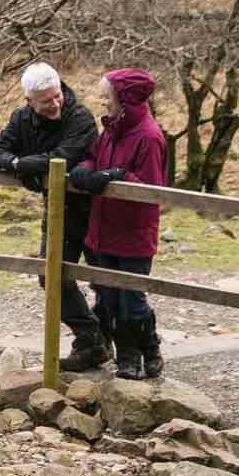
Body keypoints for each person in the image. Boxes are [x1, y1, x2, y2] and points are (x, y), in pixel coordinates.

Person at [0, 63, 106, 370]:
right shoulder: (22, 119)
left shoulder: (81, 117)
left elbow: (62, 159)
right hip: (58, 208)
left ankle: (123, 346)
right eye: (46, 101)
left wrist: (20, 165)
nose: (55, 104)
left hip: (94, 208)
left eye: (57, 95)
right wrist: (21, 163)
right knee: (51, 277)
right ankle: (90, 338)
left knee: (105, 279)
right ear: (30, 102)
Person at [66, 67, 171, 379]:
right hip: (103, 230)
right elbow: (94, 158)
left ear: (124, 99)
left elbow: (149, 188)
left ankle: (137, 355)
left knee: (131, 300)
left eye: (107, 97)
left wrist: (118, 176)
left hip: (133, 234)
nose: (102, 103)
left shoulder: (149, 138)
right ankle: (145, 353)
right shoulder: (111, 131)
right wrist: (85, 169)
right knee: (109, 297)